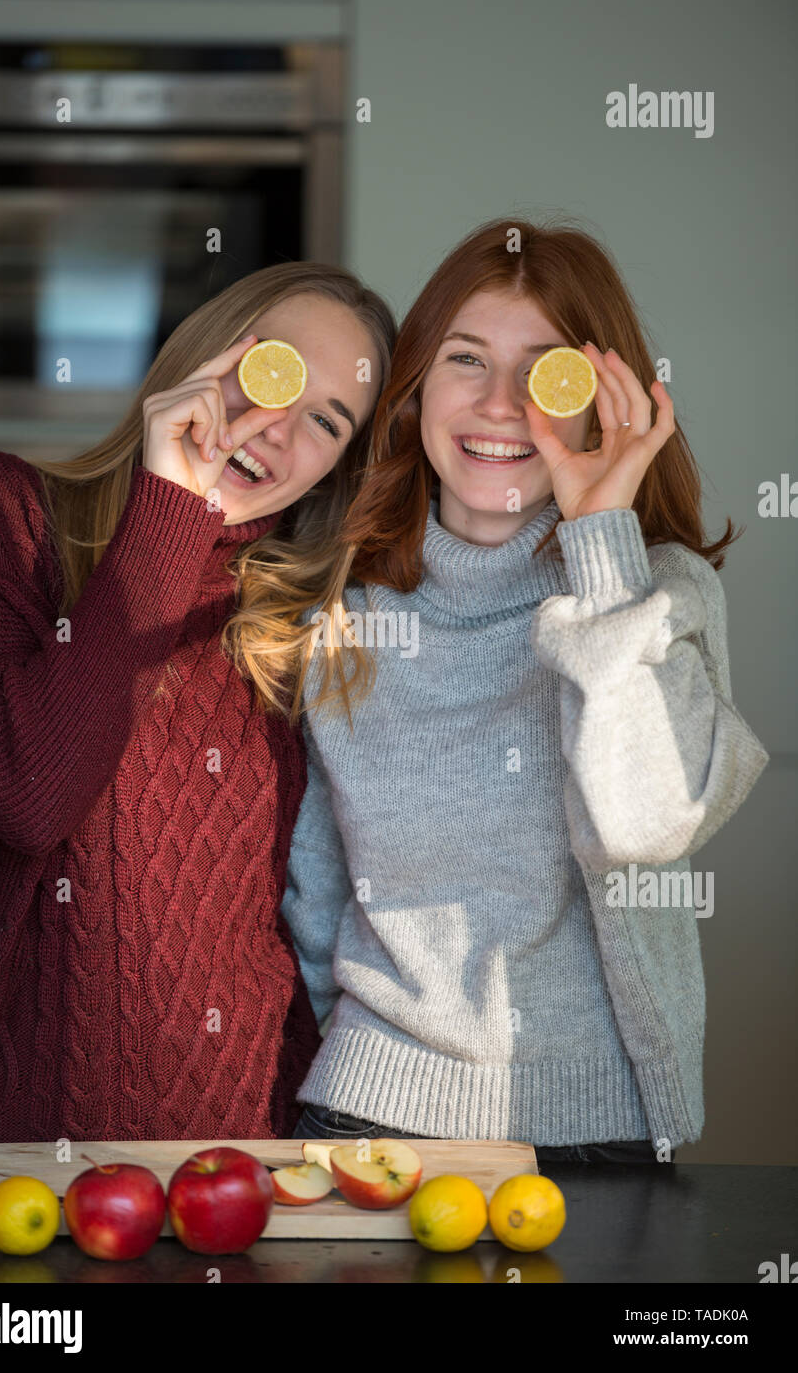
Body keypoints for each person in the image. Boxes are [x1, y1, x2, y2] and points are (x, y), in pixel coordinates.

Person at [279, 219, 769, 1163]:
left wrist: (601, 542)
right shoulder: (338, 612)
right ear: (415, 385)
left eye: (546, 373)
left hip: (597, 1130)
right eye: (465, 359)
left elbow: (647, 822)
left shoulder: (657, 592)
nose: (500, 405)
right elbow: (317, 893)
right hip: (363, 1112)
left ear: (601, 405)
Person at [0, 261, 395, 1153]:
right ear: (204, 352)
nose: (276, 425)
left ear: (338, 466)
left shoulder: (299, 627)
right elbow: (29, 795)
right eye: (276, 371)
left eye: (328, 421)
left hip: (236, 1171)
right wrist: (171, 508)